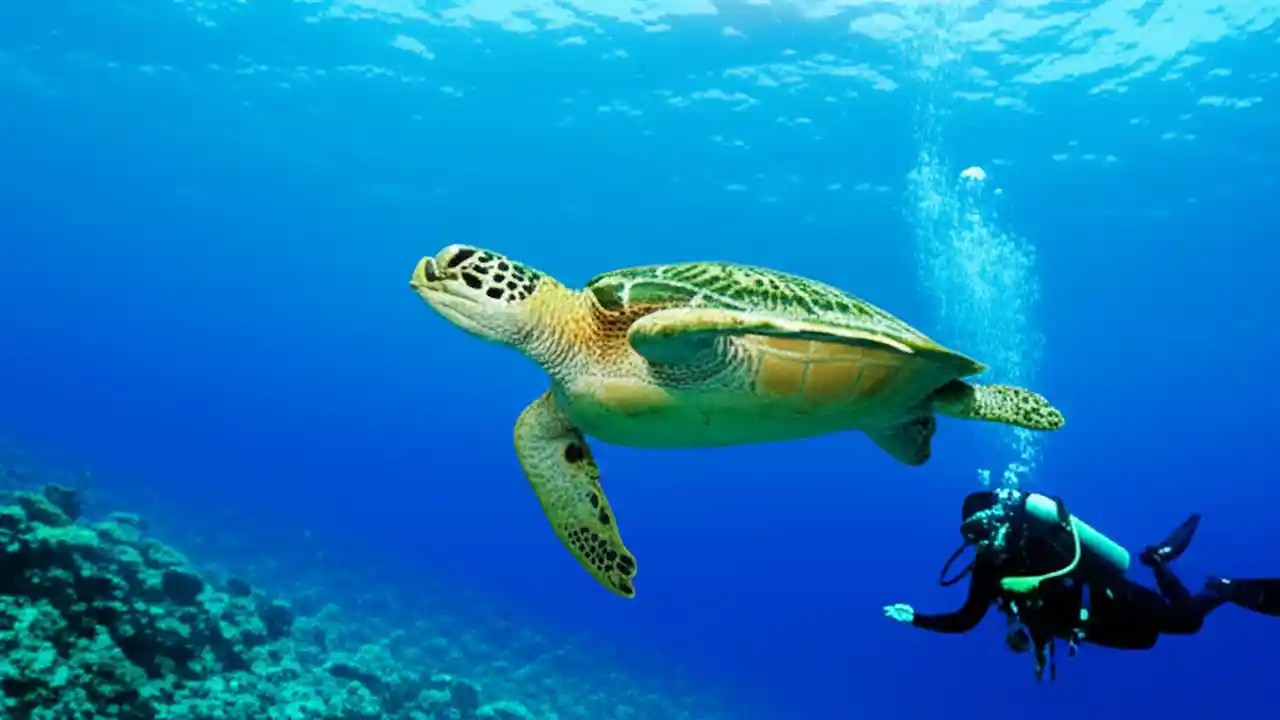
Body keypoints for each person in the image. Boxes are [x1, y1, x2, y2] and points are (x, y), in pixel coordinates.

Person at [883, 488, 1280, 679]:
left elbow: (1075, 569)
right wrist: (916, 618)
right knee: (1159, 636)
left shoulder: (1038, 539)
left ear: (1001, 518)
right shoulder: (987, 570)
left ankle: (1182, 571)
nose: (982, 538)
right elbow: (965, 619)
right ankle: (1202, 582)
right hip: (1087, 629)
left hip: (1111, 600)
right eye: (971, 532)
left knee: (1189, 622)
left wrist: (1036, 586)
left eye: (985, 525)